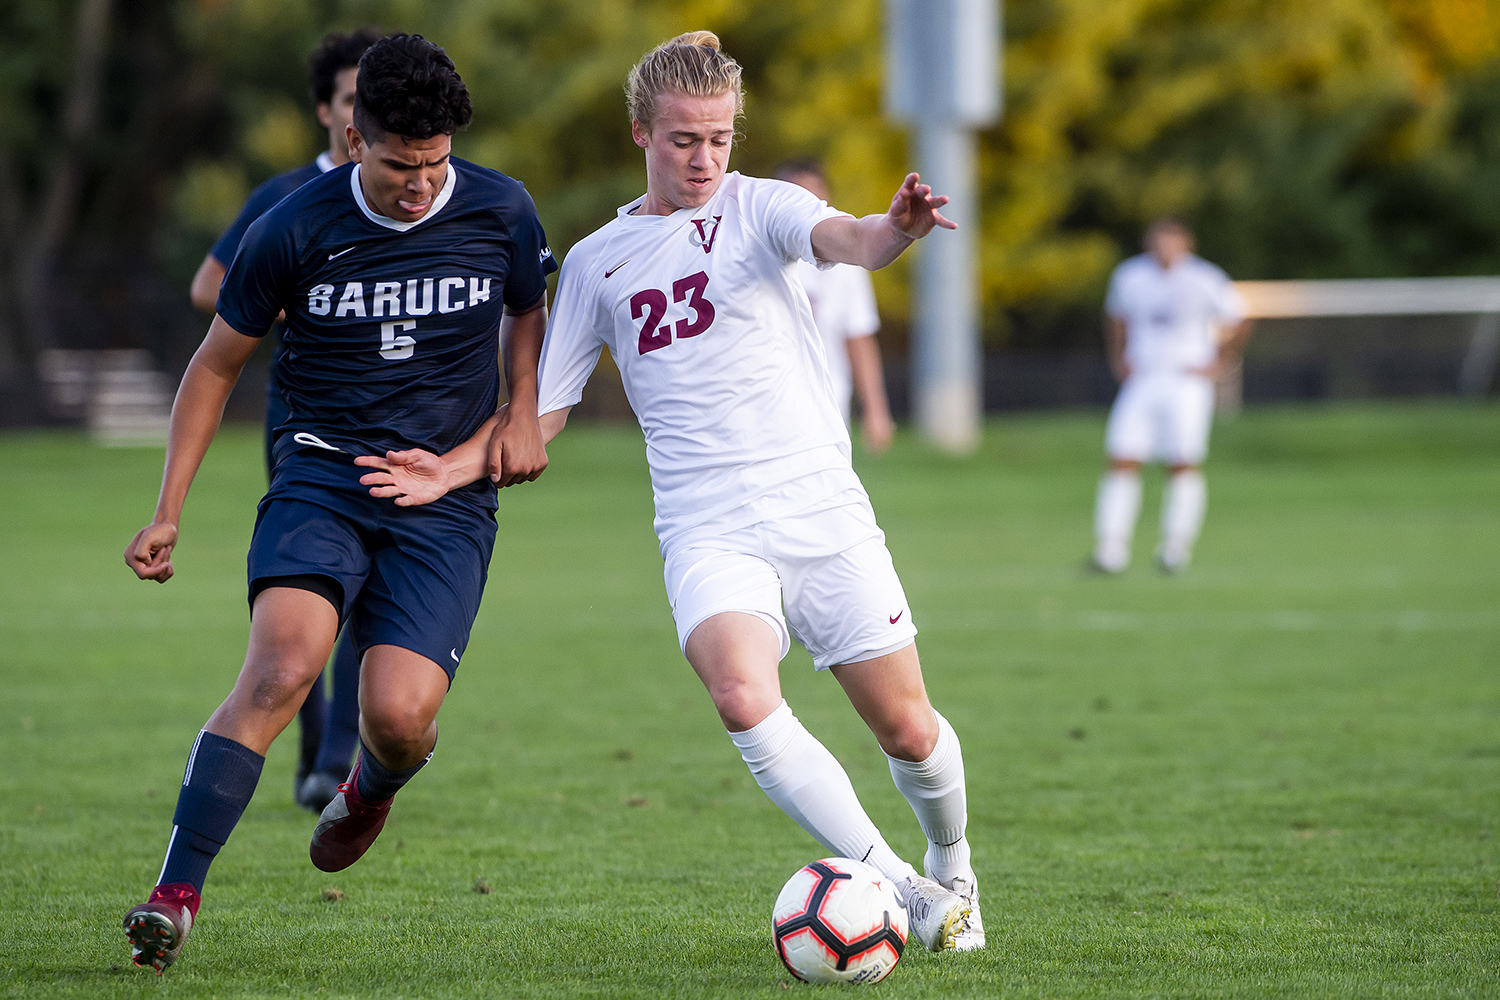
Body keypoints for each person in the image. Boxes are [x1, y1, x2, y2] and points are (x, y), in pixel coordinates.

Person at [358, 31, 983, 954]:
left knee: (908, 729)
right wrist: (446, 469)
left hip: (818, 503)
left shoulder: (763, 206)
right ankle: (903, 888)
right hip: (705, 524)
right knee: (740, 693)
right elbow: (542, 413)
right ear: (641, 133)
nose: (704, 159)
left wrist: (899, 228)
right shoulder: (598, 261)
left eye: (720, 139)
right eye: (685, 139)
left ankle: (953, 862)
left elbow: (852, 239)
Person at [120, 33, 555, 974]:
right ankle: (173, 896)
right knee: (281, 670)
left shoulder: (502, 208)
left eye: (436, 164)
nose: (421, 186)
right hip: (321, 478)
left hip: (445, 501)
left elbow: (528, 307)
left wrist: (521, 407)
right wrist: (167, 510)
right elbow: (213, 368)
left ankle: (372, 785)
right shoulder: (292, 225)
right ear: (354, 137)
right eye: (401, 166)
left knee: (398, 717)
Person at [189, 28, 380, 815]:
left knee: (370, 595)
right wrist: (285, 306)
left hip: (395, 428)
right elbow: (209, 285)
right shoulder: (286, 197)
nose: (361, 112)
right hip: (300, 423)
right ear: (326, 112)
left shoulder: (413, 199)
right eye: (350, 99)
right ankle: (314, 751)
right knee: (309, 590)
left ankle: (337, 756)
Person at [1091, 218, 1251, 573]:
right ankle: (1111, 549)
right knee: (1122, 457)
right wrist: (1119, 358)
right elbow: (1117, 318)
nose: (1164, 248)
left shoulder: (1205, 277)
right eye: (1158, 240)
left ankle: (1175, 548)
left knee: (1182, 461)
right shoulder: (1130, 275)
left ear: (1186, 243)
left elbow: (1239, 318)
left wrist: (1219, 362)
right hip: (1144, 377)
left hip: (1185, 380)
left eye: (1172, 241)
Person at [777, 160, 895, 453]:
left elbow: (858, 335)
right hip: (769, 403)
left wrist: (876, 409)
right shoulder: (760, 254)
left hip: (827, 402)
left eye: (815, 194)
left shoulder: (845, 262)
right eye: (797, 193)